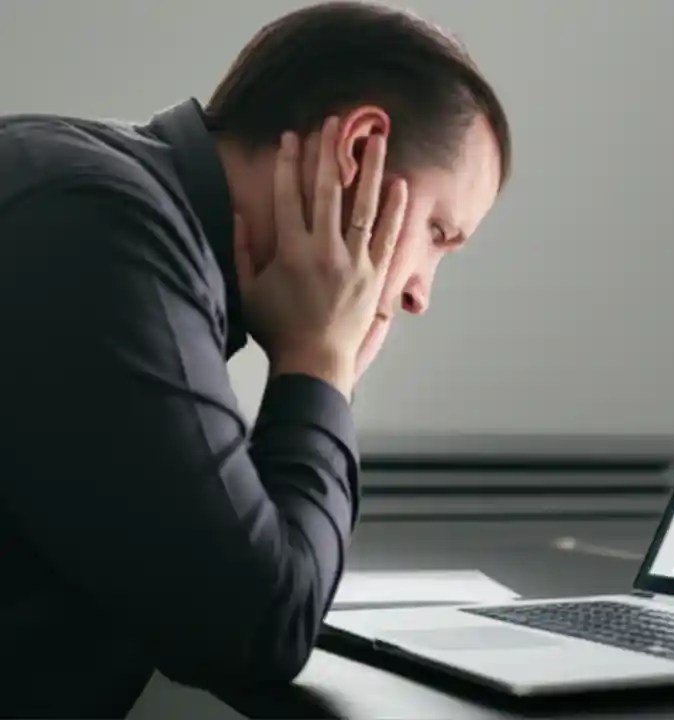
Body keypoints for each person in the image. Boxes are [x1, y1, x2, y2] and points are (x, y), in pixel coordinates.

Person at [0, 1, 511, 716]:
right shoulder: (102, 229)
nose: (421, 293)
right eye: (437, 232)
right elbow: (257, 628)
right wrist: (321, 362)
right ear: (359, 149)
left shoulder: (96, 193)